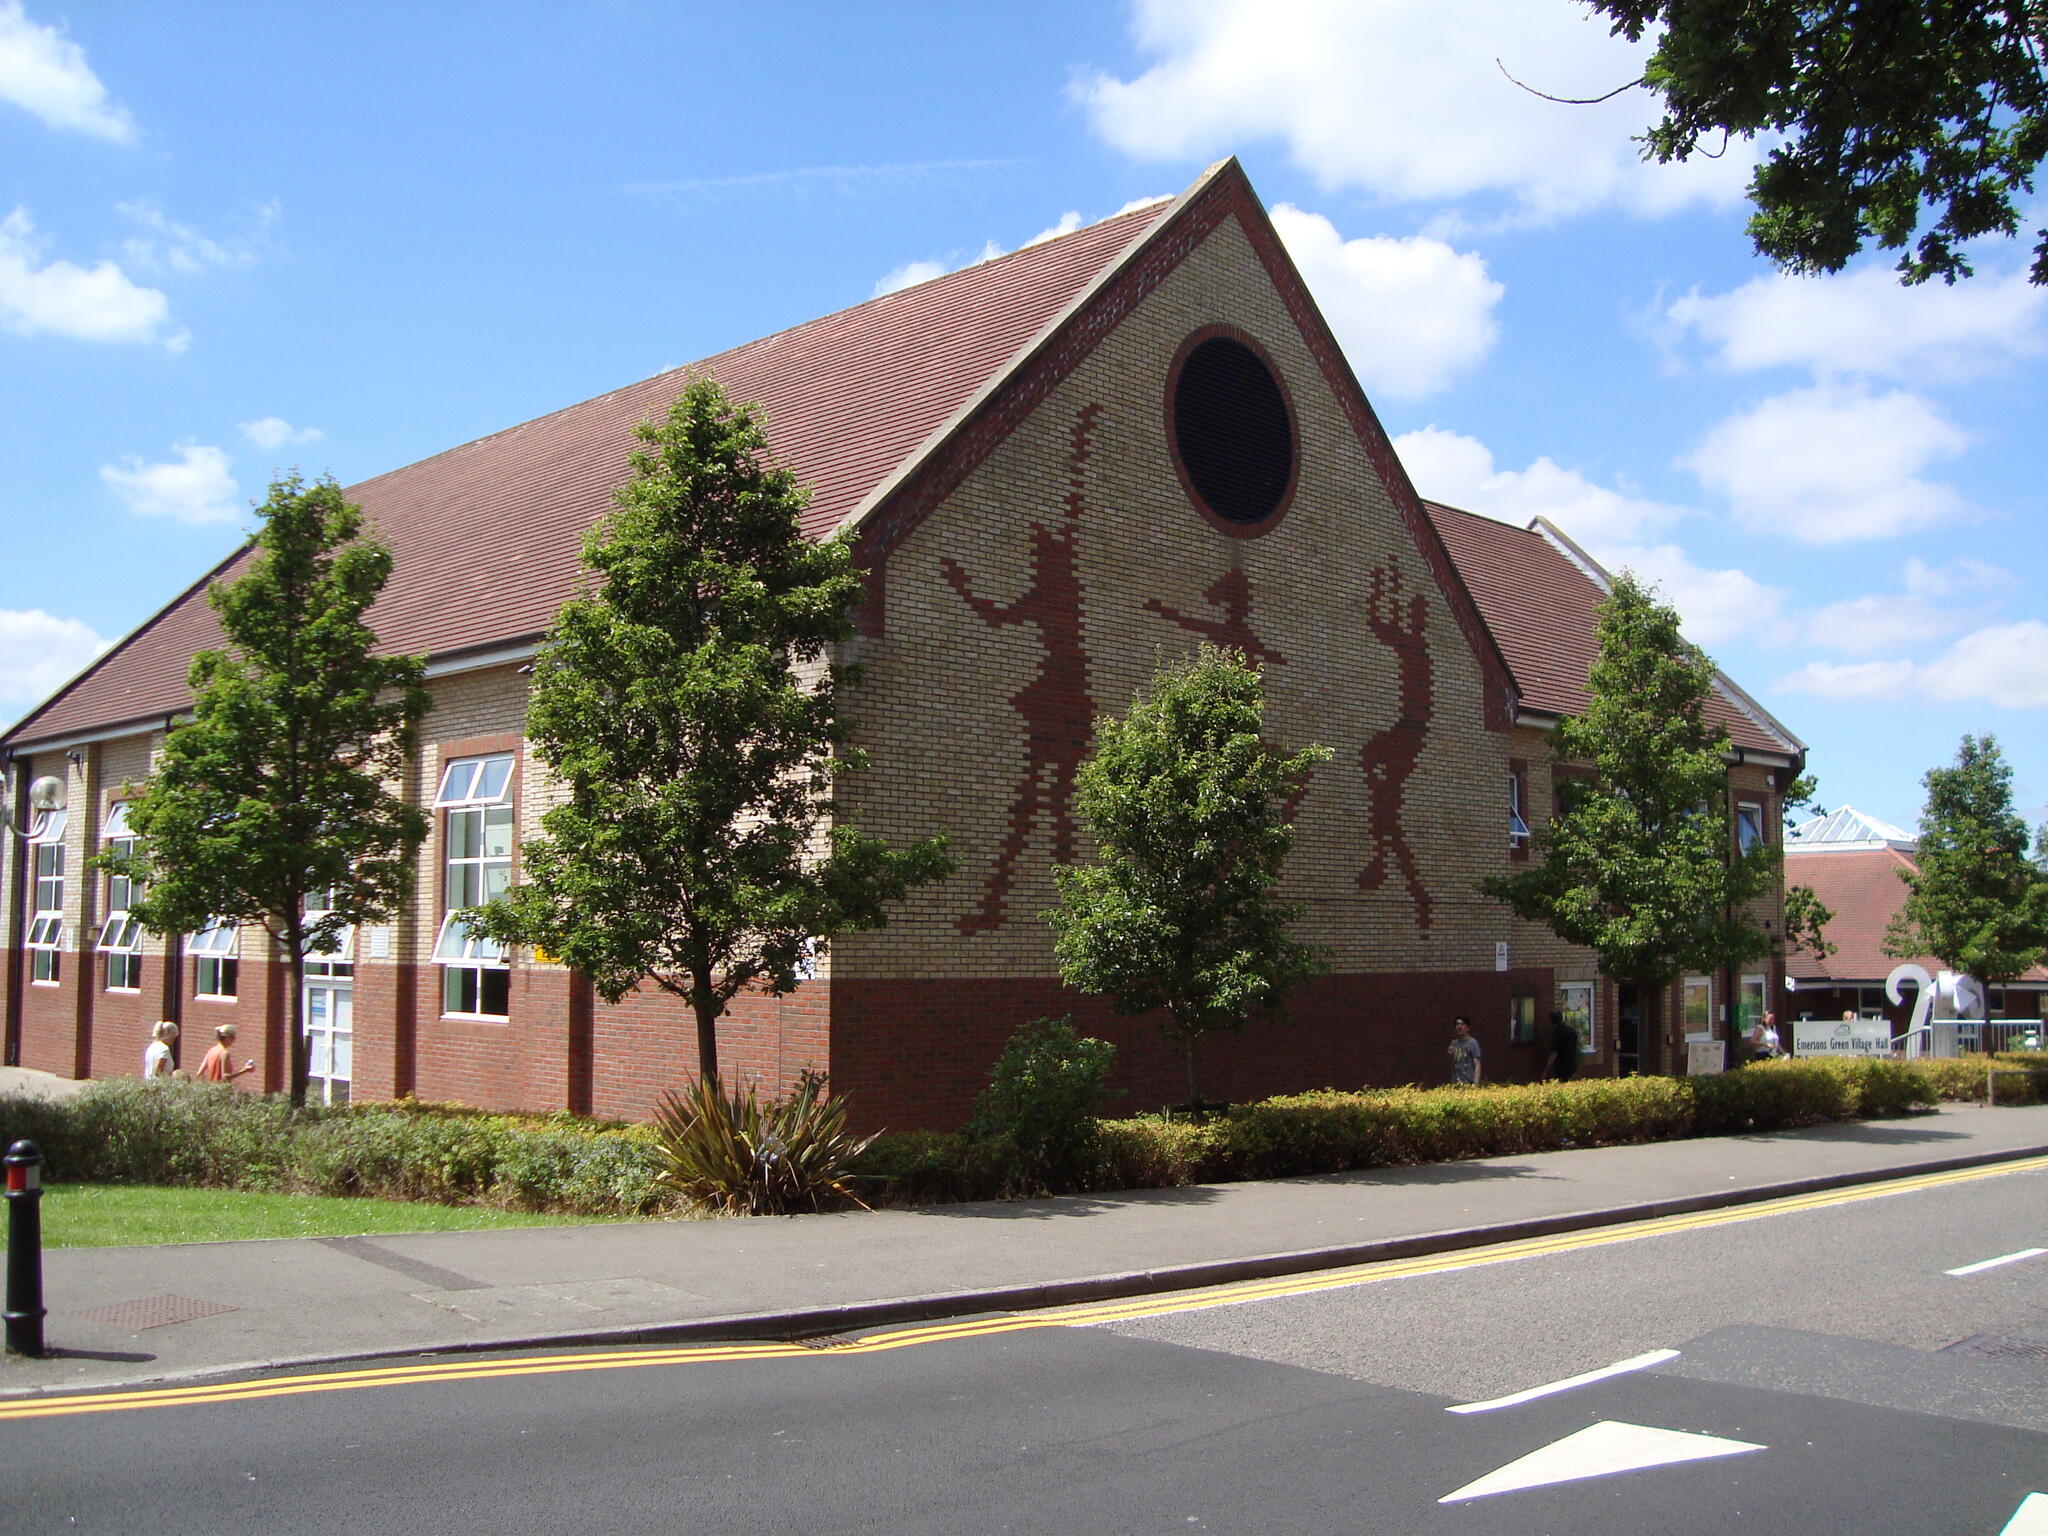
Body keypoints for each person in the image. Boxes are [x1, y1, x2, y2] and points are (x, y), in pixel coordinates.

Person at [1542, 1009, 1581, 1081]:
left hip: (1561, 1067)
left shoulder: (1557, 1033)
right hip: (1572, 1065)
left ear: (1552, 1020)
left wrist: (1546, 1069)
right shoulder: (1571, 1030)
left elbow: (1554, 1053)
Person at [1448, 1017, 1482, 1086]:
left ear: (1468, 1028)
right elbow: (1452, 1063)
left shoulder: (1472, 1043)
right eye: (1457, 1024)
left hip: (1469, 1082)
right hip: (1455, 1083)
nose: (1459, 1027)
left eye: (1462, 1024)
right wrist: (1450, 1055)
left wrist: (1476, 1083)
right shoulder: (1453, 1043)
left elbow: (1477, 1064)